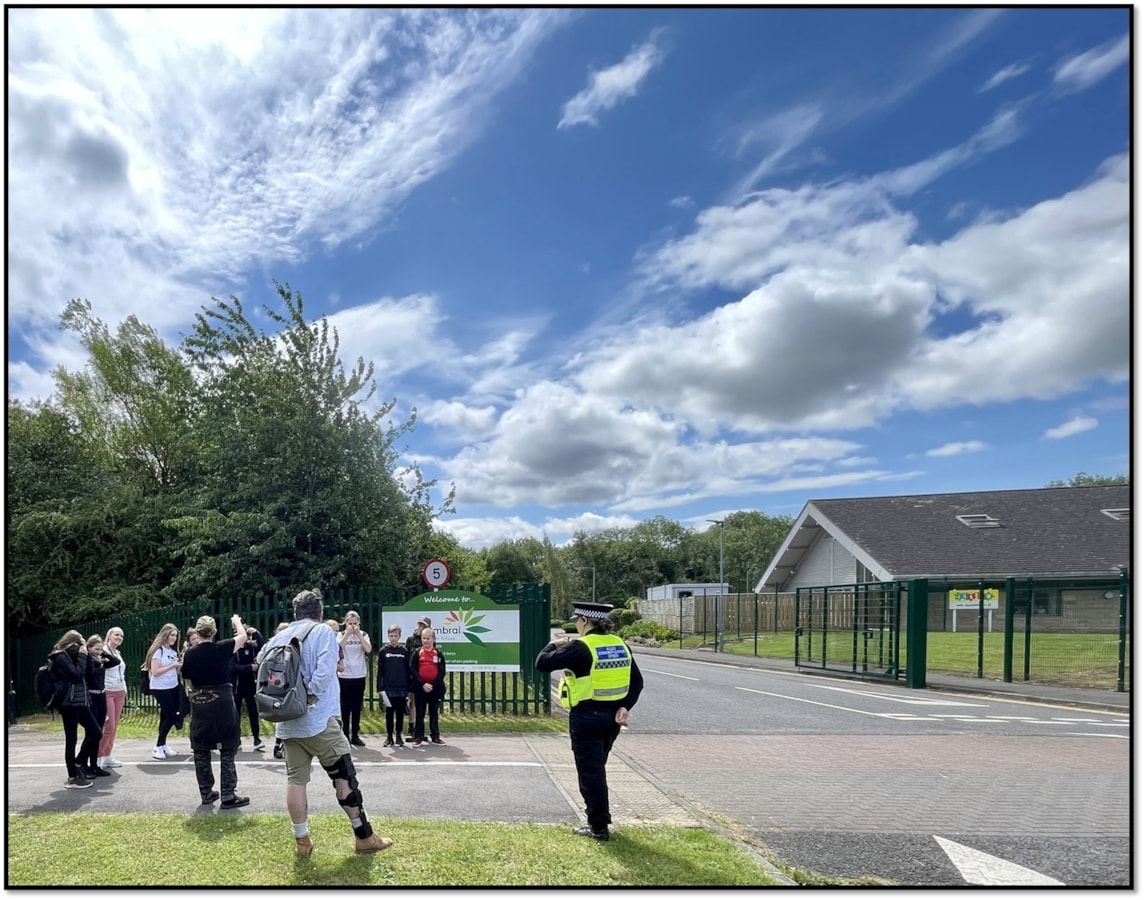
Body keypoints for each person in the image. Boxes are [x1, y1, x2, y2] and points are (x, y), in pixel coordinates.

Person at [256, 589, 392, 857]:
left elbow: (260, 662)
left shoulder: (278, 637)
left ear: (295, 613)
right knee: (344, 776)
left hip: (287, 721)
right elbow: (325, 671)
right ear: (319, 612)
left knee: (296, 781)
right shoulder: (323, 633)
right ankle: (364, 837)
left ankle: (302, 842)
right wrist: (309, 698)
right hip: (320, 721)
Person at [534, 601, 644, 842]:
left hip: (586, 718)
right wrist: (625, 706)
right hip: (612, 719)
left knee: (590, 773)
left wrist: (555, 643)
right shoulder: (620, 644)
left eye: (576, 620)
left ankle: (598, 826)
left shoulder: (582, 647)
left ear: (585, 621)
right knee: (597, 768)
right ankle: (599, 821)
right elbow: (637, 682)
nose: (575, 624)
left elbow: (541, 663)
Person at [181, 614, 250, 808]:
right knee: (227, 747)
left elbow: (186, 674)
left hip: (199, 702)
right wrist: (236, 621)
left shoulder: (190, 653)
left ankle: (206, 793)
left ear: (197, 631)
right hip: (221, 700)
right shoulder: (223, 647)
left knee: (201, 748)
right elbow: (243, 637)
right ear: (214, 631)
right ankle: (228, 795)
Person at [48, 630, 103, 788]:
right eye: (81, 643)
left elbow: (89, 673)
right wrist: (82, 655)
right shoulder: (60, 656)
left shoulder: (74, 656)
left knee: (96, 732)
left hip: (81, 700)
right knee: (71, 739)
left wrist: (86, 657)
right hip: (68, 702)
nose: (82, 647)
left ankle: (78, 762)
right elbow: (77, 676)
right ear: (72, 643)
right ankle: (72, 777)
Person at [81, 634, 119, 778]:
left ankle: (94, 765)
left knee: (98, 732)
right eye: (96, 649)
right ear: (89, 648)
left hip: (102, 696)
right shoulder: (87, 661)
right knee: (92, 732)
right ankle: (83, 764)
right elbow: (89, 673)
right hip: (92, 697)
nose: (98, 652)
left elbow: (115, 661)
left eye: (100, 649)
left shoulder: (101, 659)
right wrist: (93, 657)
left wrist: (103, 652)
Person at [142, 623, 183, 759]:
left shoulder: (172, 651)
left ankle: (163, 745)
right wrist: (172, 665)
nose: (174, 638)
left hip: (173, 686)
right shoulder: (158, 651)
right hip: (160, 688)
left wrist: (178, 665)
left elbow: (175, 671)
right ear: (165, 635)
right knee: (172, 717)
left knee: (165, 716)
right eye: (172, 635)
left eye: (176, 635)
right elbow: (155, 671)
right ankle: (158, 746)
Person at [337, 610, 371, 748]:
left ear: (359, 623)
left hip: (359, 674)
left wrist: (357, 634)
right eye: (350, 623)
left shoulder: (363, 634)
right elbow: (338, 647)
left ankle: (355, 734)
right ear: (345, 623)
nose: (352, 626)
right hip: (345, 675)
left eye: (355, 623)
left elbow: (368, 649)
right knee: (345, 707)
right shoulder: (340, 635)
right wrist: (347, 634)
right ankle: (345, 735)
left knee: (356, 707)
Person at [409, 627, 446, 747]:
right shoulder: (417, 652)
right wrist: (423, 684)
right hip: (421, 688)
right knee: (420, 713)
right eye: (423, 638)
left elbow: (442, 671)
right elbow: (413, 669)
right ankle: (418, 737)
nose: (425, 641)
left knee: (434, 713)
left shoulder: (438, 654)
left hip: (434, 688)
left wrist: (432, 684)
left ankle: (435, 736)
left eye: (428, 638)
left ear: (434, 639)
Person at [97, 626, 128, 769]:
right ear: (109, 636)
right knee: (108, 725)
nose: (119, 638)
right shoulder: (103, 652)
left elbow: (121, 673)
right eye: (116, 635)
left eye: (121, 636)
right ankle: (98, 756)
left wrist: (125, 688)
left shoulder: (118, 653)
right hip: (108, 691)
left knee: (114, 726)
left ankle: (107, 755)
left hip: (119, 691)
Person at [231, 624, 266, 751]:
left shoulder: (251, 647)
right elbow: (232, 668)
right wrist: (249, 667)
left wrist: (256, 632)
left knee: (253, 711)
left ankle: (257, 738)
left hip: (251, 684)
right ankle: (237, 739)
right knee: (236, 713)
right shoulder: (232, 649)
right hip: (237, 685)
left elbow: (262, 646)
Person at [376, 624, 409, 747]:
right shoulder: (383, 651)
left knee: (400, 713)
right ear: (388, 636)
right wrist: (380, 687)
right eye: (391, 636)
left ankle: (399, 736)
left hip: (401, 688)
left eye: (396, 636)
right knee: (389, 713)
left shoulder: (404, 651)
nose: (393, 638)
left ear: (399, 636)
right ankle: (389, 736)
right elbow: (380, 671)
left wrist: (407, 688)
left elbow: (407, 670)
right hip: (388, 689)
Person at [403, 616, 431, 739]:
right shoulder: (411, 640)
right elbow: (407, 657)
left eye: (424, 625)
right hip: (412, 675)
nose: (421, 627)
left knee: (422, 703)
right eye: (420, 624)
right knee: (412, 702)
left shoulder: (429, 640)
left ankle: (420, 728)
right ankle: (411, 727)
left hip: (424, 676)